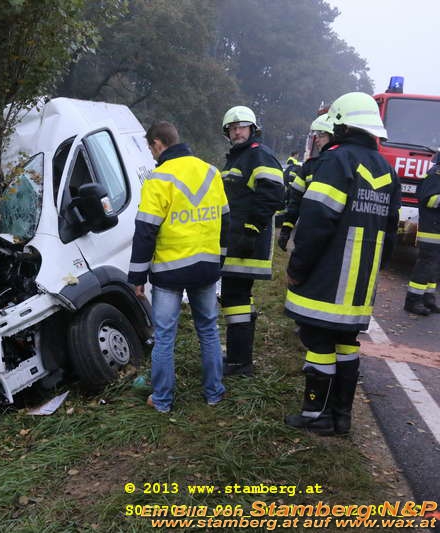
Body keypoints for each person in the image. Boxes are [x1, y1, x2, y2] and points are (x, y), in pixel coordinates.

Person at [284, 92, 400, 435]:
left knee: (317, 342)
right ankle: (340, 417)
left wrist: (297, 268)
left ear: (342, 125)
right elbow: (390, 234)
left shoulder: (339, 162)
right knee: (347, 344)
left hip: (327, 277)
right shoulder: (387, 171)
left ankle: (314, 415)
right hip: (360, 285)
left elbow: (317, 220)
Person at [129, 121, 228, 412]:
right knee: (208, 330)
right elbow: (226, 222)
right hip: (207, 268)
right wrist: (218, 260)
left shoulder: (158, 179)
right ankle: (214, 393)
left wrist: (137, 276)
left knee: (164, 337)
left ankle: (162, 400)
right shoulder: (212, 172)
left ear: (158, 144)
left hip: (169, 273)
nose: (151, 154)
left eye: (150, 148)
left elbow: (145, 231)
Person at [219, 106, 285, 376]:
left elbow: (272, 195)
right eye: (232, 128)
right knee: (237, 297)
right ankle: (238, 356)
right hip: (236, 241)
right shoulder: (238, 157)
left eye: (241, 127)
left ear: (252, 129)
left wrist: (251, 231)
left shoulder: (259, 155)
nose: (236, 131)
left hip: (246, 242)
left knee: (235, 297)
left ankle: (239, 362)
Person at [278, 113, 334, 251]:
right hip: (306, 234)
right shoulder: (309, 167)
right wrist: (286, 229)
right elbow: (295, 200)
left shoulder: (345, 167)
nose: (316, 140)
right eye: (316, 135)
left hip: (332, 239)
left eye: (321, 135)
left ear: (333, 136)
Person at [404, 155, 440, 315]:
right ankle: (413, 301)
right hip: (431, 228)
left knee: (435, 265)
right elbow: (428, 200)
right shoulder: (435, 175)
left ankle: (428, 299)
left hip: (437, 227)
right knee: (426, 263)